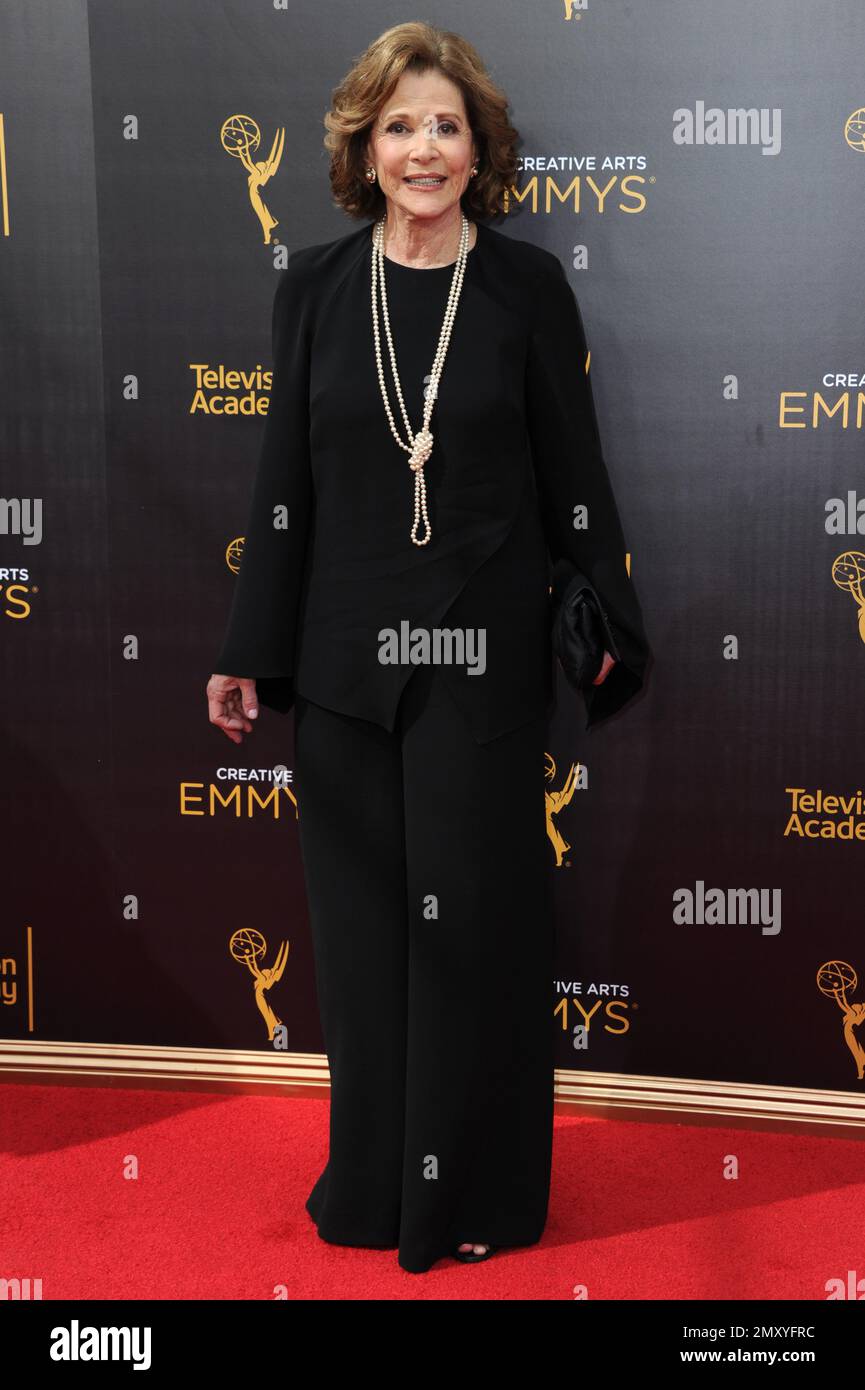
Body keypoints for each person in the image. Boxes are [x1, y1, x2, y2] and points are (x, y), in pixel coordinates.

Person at [207, 21, 651, 1275]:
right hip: (344, 666)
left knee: (477, 936)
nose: (422, 147)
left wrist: (608, 619)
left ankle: (481, 1194)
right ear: (364, 145)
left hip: (480, 665)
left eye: (445, 125)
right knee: (361, 943)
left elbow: (578, 478)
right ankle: (371, 1188)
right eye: (399, 124)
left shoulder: (521, 291)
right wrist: (250, 646)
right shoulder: (310, 289)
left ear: (478, 148)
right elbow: (278, 486)